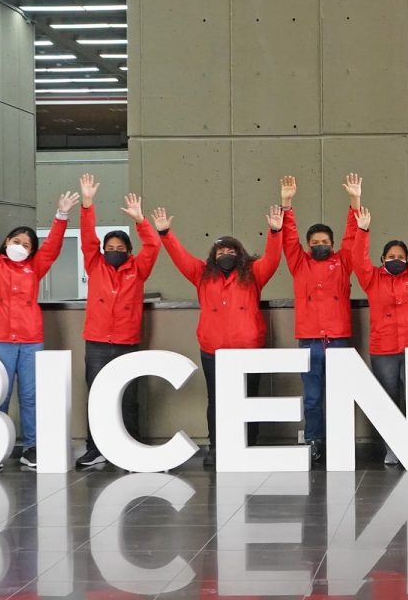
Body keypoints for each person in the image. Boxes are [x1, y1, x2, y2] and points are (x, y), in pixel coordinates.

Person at [152, 197, 283, 468]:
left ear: (240, 254)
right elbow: (180, 257)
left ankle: (250, 444)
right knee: (218, 401)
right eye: (221, 252)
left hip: (249, 349)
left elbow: (273, 258)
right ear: (213, 257)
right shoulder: (201, 274)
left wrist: (275, 232)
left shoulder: (254, 274)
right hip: (214, 350)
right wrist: (165, 233)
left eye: (231, 251)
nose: (226, 256)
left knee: (250, 400)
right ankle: (217, 447)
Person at [0, 172, 77, 471]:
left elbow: (52, 248)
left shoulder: (34, 268)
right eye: (17, 241)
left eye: (27, 245)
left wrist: (61, 215)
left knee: (31, 396)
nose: (21, 246)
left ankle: (31, 447)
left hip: (30, 340)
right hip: (0, 339)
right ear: (7, 242)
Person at [75, 177, 160, 471]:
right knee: (97, 396)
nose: (114, 250)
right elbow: (86, 238)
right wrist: (87, 204)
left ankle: (131, 445)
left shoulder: (138, 269)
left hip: (126, 341)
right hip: (97, 342)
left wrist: (139, 220)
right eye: (109, 246)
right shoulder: (95, 264)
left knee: (128, 396)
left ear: (127, 250)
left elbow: (152, 244)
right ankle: (94, 448)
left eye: (119, 246)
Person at [350, 192, 408, 467]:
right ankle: (392, 448)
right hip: (384, 349)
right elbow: (357, 259)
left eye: (401, 256)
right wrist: (363, 230)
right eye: (391, 256)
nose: (396, 259)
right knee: (388, 401)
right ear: (383, 258)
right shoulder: (373, 278)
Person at [279, 174, 359, 465]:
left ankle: (338, 441)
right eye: (315, 242)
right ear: (308, 245)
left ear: (333, 244)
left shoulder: (343, 262)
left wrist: (355, 201)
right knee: (312, 397)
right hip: (310, 340)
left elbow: (353, 237)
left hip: (338, 340)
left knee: (339, 395)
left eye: (325, 241)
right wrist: (287, 204)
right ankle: (314, 441)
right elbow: (288, 240)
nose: (320, 245)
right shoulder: (300, 263)